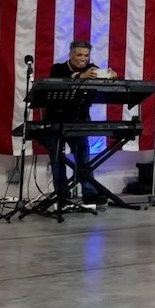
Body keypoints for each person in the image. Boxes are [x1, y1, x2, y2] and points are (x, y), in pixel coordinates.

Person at [45, 40, 113, 204]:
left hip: (79, 120)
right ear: (70, 55)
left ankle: (89, 194)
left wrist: (110, 74)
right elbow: (60, 79)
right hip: (56, 120)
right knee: (57, 160)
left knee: (83, 159)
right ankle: (62, 195)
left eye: (86, 55)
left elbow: (104, 76)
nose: (83, 59)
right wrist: (80, 76)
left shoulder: (91, 68)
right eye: (79, 55)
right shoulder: (58, 68)